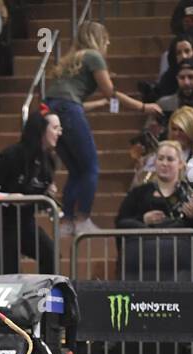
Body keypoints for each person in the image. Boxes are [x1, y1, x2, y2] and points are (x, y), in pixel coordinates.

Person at [46, 22, 157, 236]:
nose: (108, 43)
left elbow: (65, 101)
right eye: (105, 38)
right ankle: (83, 218)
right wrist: (143, 107)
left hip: (50, 111)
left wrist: (97, 105)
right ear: (97, 38)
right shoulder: (93, 57)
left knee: (76, 170)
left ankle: (67, 220)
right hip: (68, 110)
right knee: (91, 168)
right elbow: (111, 93)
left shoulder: (70, 61)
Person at [0, 106, 59, 274]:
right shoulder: (11, 155)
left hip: (23, 222)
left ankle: (46, 297)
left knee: (50, 254)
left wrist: (47, 195)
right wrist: (9, 197)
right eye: (55, 128)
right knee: (9, 275)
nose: (60, 133)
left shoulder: (48, 161)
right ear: (41, 130)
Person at [115, 140, 193, 230]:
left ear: (180, 164)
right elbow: (121, 222)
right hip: (147, 245)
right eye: (160, 159)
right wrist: (143, 220)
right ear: (155, 162)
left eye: (170, 159)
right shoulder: (138, 193)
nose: (164, 163)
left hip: (183, 244)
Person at [138, 105, 193, 185]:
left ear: (192, 130)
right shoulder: (162, 150)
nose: (177, 134)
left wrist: (180, 170)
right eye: (174, 129)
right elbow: (147, 178)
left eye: (181, 130)